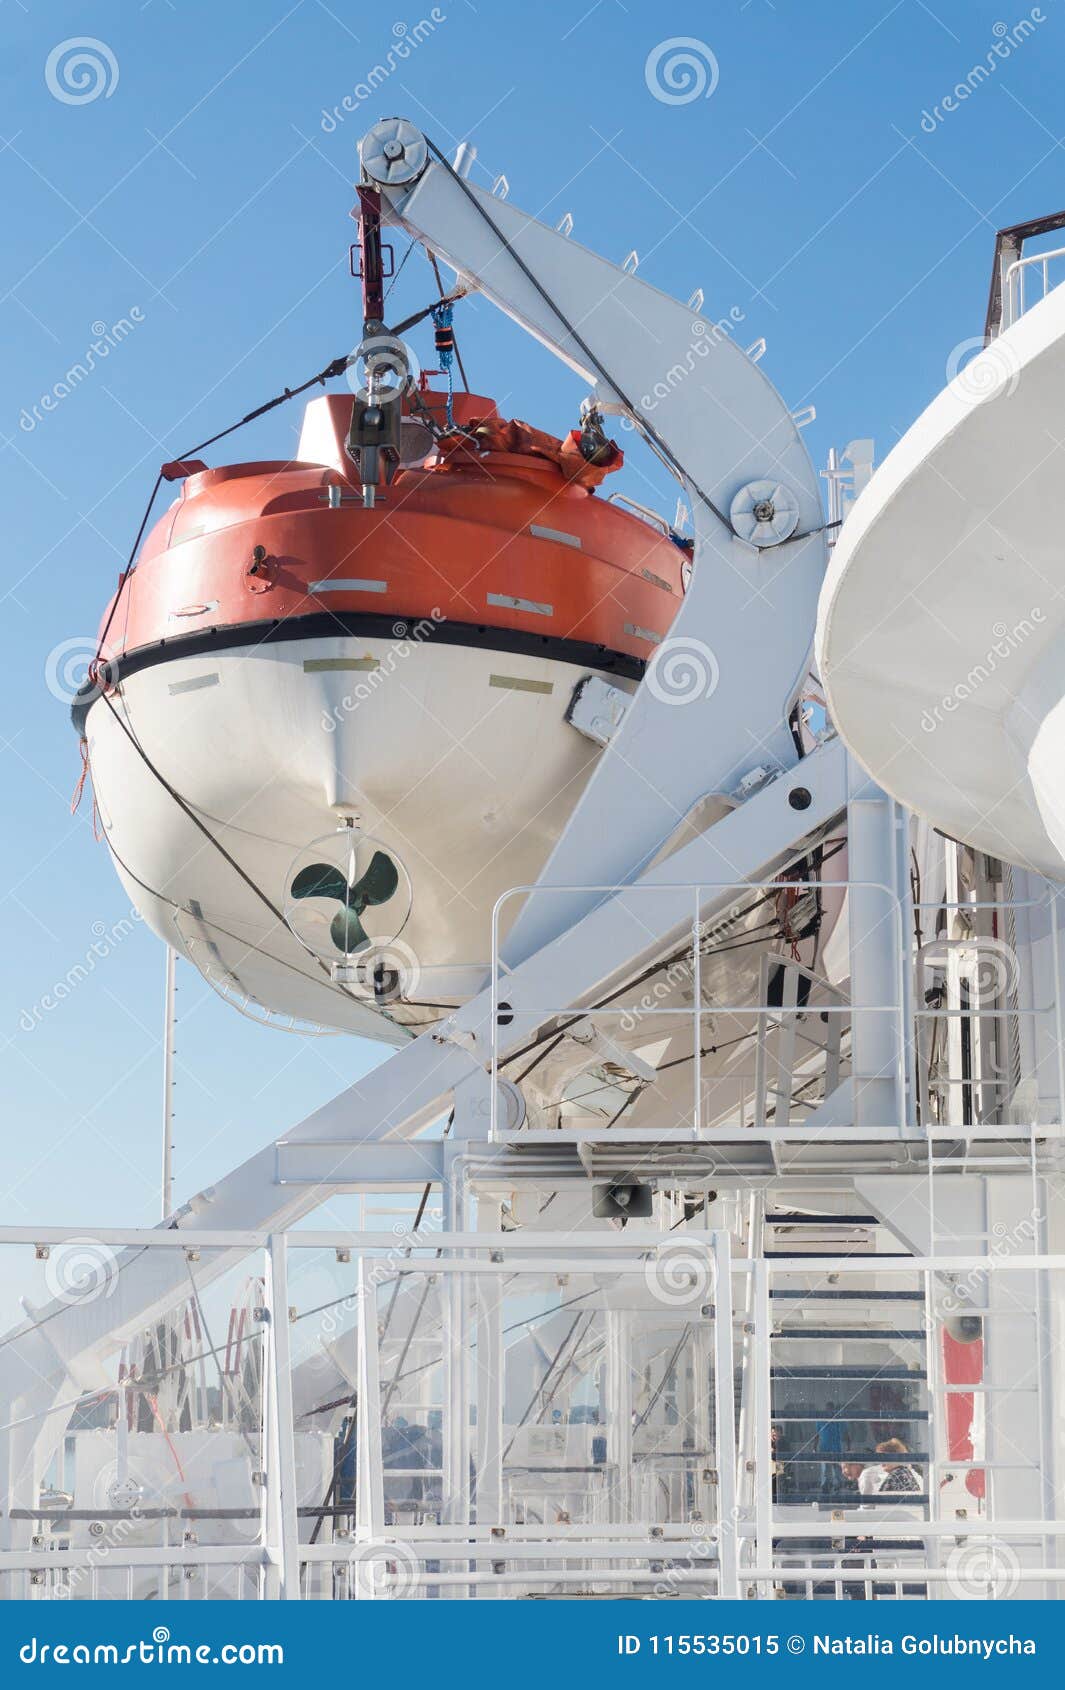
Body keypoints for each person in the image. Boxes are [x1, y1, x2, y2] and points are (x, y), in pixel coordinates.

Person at [815, 1402, 844, 1494]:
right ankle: (825, 1486)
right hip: (824, 1448)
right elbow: (817, 1435)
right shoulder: (820, 1421)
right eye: (828, 1409)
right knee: (824, 1469)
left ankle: (837, 1486)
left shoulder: (838, 1421)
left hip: (836, 1448)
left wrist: (848, 1446)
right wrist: (814, 1447)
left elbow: (846, 1434)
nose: (829, 1411)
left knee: (836, 1469)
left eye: (831, 1409)